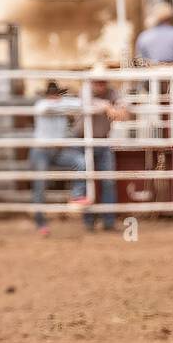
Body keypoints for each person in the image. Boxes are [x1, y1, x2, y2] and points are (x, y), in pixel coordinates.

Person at [70, 68, 132, 231]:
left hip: (102, 140)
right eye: (97, 81)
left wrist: (116, 109)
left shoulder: (112, 92)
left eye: (102, 81)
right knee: (85, 179)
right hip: (82, 140)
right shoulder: (87, 91)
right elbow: (88, 103)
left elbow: (124, 108)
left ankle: (108, 221)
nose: (100, 84)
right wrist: (107, 107)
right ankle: (89, 221)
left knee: (107, 181)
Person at [29, 82, 82, 235]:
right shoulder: (42, 105)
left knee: (80, 161)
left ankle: (77, 195)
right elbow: (46, 107)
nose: (54, 96)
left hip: (57, 150)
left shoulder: (61, 105)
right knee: (40, 186)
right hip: (41, 150)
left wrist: (63, 103)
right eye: (52, 94)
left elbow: (79, 104)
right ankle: (41, 223)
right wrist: (63, 103)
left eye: (56, 94)